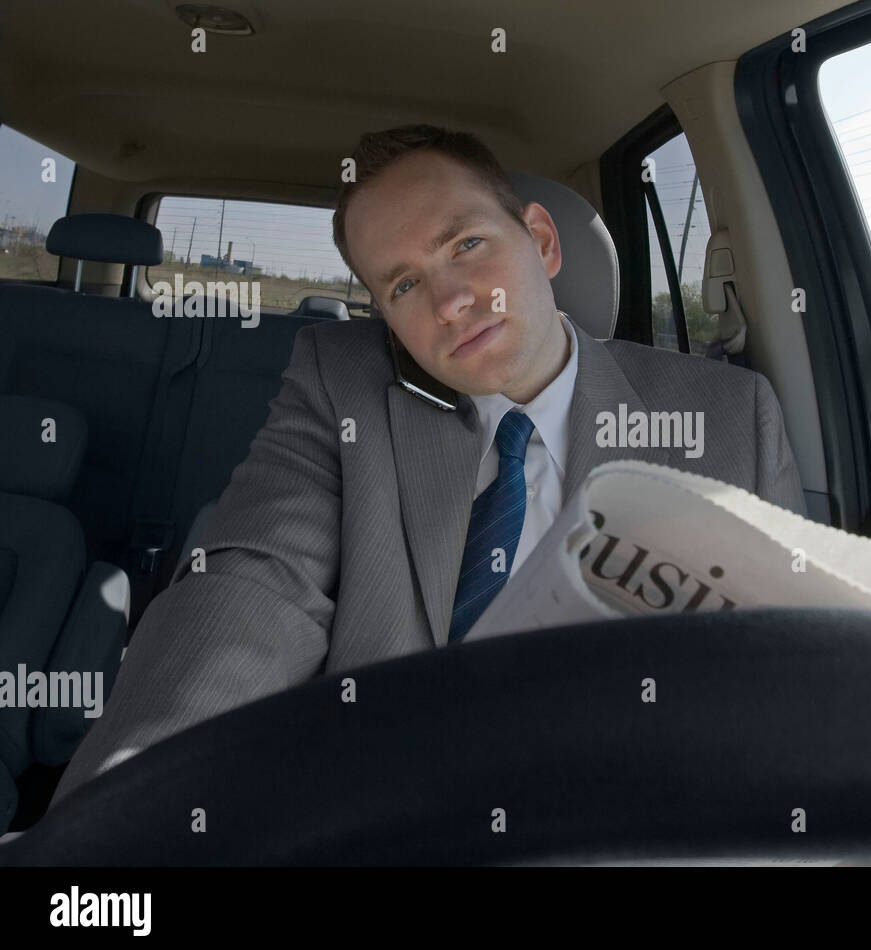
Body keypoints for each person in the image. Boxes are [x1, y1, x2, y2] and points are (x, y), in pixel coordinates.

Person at [50, 124, 805, 807]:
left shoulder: (729, 418)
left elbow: (787, 684)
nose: (448, 302)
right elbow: (255, 583)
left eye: (466, 245)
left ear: (541, 241)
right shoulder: (340, 386)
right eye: (404, 284)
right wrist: (128, 804)